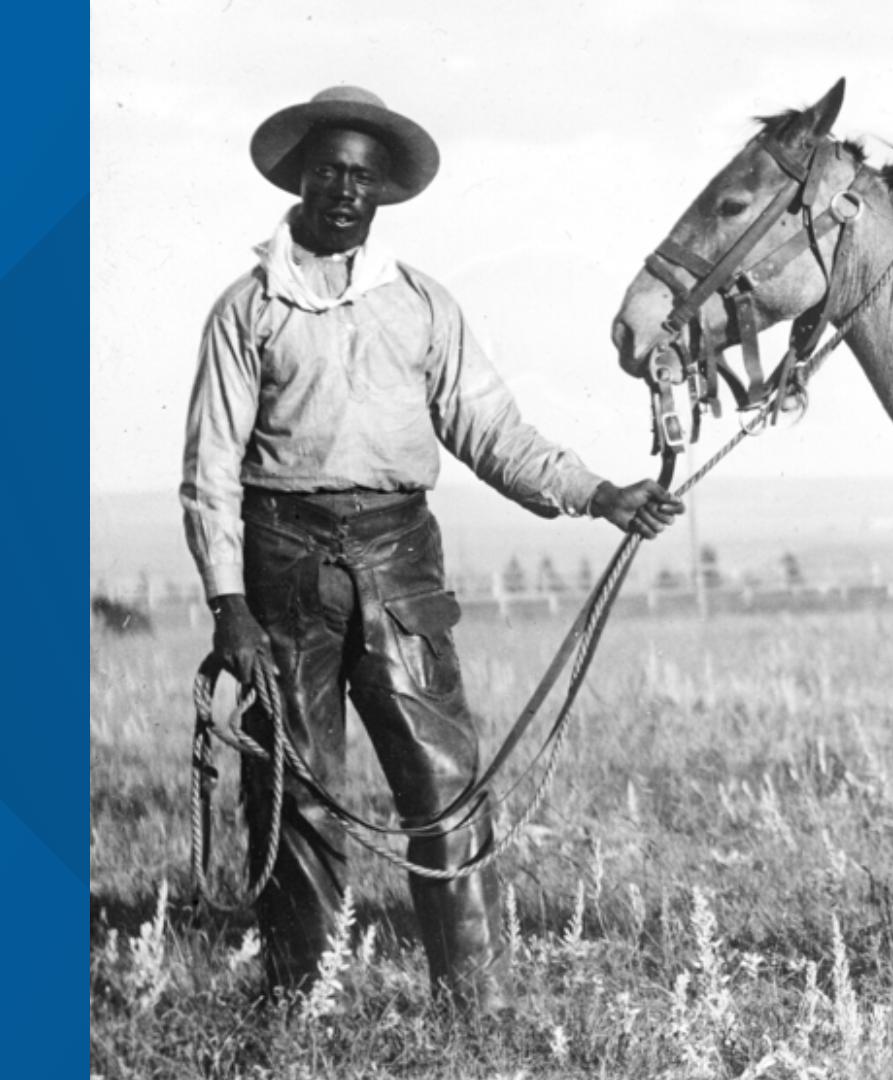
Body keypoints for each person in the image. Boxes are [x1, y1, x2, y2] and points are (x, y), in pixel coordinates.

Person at [180, 85, 682, 1014]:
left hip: (400, 561)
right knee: (297, 796)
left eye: (362, 176)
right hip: (282, 567)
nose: (344, 190)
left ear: (383, 194)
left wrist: (600, 494)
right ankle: (302, 1011)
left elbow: (493, 430)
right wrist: (228, 606)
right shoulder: (246, 309)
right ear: (299, 177)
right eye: (328, 169)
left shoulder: (421, 306)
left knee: (445, 783)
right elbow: (210, 470)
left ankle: (477, 1010)